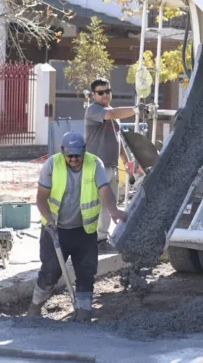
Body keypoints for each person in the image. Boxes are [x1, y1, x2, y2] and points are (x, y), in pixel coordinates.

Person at [29, 131, 127, 321]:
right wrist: (48, 220)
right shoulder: (52, 164)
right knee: (50, 271)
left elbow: (104, 189)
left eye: (77, 155)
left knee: (86, 272)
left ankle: (83, 313)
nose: (74, 159)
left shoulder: (94, 163)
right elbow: (41, 198)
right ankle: (35, 307)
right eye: (70, 155)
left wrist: (114, 210)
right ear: (62, 151)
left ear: (84, 150)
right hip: (55, 229)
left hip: (84, 231)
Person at [84, 78, 135, 252]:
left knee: (109, 204)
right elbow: (111, 115)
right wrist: (136, 110)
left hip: (112, 166)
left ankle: (101, 239)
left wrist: (127, 160)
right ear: (94, 95)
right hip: (96, 166)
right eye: (101, 92)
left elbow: (118, 140)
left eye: (107, 91)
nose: (105, 95)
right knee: (94, 204)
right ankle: (86, 239)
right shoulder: (94, 110)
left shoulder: (113, 113)